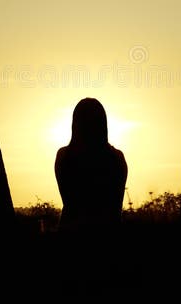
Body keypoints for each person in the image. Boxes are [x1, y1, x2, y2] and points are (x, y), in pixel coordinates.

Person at [54, 98, 128, 229]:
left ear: (75, 124)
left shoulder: (64, 156)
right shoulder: (117, 158)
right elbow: (115, 207)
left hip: (71, 231)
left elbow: (69, 201)